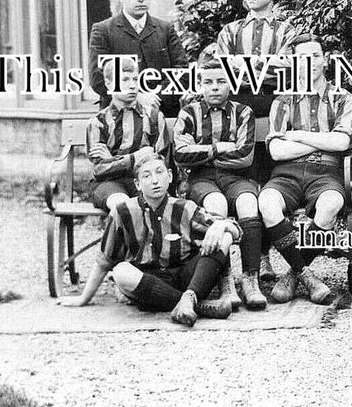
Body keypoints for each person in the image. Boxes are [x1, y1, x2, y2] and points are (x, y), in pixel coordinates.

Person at [57, 153, 240, 327]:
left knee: (223, 236)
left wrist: (220, 225)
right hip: (148, 285)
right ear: (137, 184)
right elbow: (105, 262)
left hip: (187, 278)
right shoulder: (123, 211)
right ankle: (201, 307)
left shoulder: (185, 208)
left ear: (169, 176)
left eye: (160, 173)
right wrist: (83, 299)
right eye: (147, 176)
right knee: (121, 271)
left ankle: (190, 299)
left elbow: (236, 232)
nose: (154, 180)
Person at [216, 0, 299, 281]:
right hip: (240, 120)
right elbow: (223, 72)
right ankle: (257, 259)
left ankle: (271, 259)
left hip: (277, 118)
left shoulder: (287, 32)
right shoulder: (231, 31)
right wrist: (267, 66)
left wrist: (246, 66)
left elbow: (290, 71)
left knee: (271, 187)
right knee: (248, 185)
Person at [260, 35, 352, 305]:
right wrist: (320, 142)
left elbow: (342, 142)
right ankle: (305, 274)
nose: (309, 62)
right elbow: (277, 151)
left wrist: (297, 135)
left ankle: (291, 273)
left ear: (325, 60)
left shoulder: (342, 97)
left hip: (325, 173)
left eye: (315, 55)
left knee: (332, 203)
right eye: (302, 57)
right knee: (266, 203)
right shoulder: (283, 100)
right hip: (286, 173)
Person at [173, 58, 264, 311]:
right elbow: (180, 154)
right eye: (208, 82)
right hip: (201, 180)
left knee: (248, 201)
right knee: (217, 203)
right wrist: (218, 148)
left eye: (221, 81)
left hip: (236, 178)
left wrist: (203, 154)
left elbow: (245, 156)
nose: (214, 87)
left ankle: (250, 279)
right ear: (200, 85)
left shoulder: (243, 112)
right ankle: (226, 281)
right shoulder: (189, 113)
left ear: (231, 84)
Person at [89, 0, 189, 117]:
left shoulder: (165, 29)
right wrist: (137, 98)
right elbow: (98, 77)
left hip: (162, 112)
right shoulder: (103, 30)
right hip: (119, 116)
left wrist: (156, 97)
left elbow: (182, 72)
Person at [85, 57, 170, 212]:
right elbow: (99, 170)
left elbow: (160, 160)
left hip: (146, 181)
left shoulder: (153, 116)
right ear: (109, 84)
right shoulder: (98, 122)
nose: (132, 86)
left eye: (135, 79)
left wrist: (112, 159)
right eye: (124, 80)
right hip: (108, 184)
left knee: (150, 202)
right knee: (122, 206)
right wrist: (136, 157)